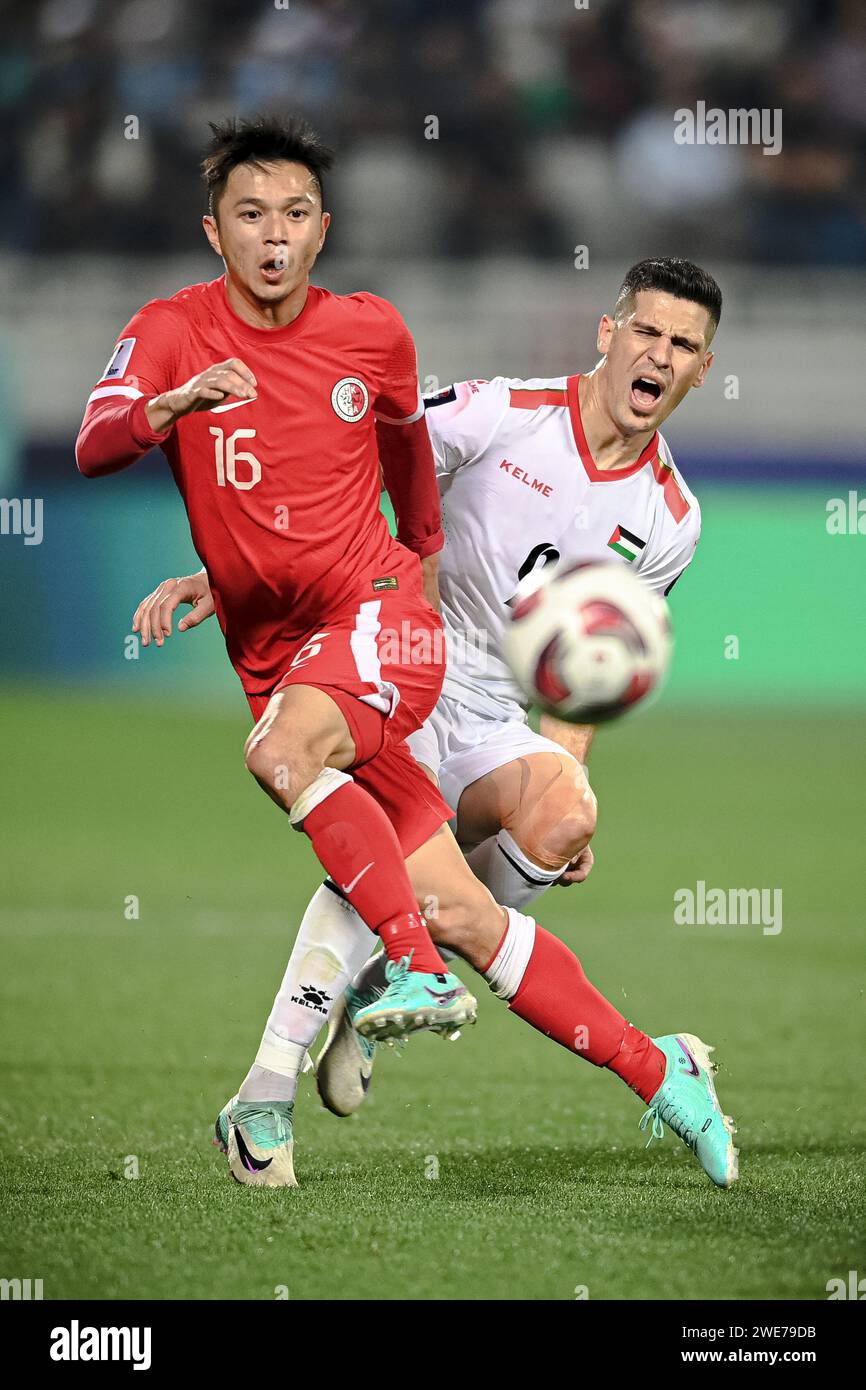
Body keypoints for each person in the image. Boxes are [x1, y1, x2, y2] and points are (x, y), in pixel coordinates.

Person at [132, 258, 739, 1190]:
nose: (660, 355)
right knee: (423, 888)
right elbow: (352, 469)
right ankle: (269, 1089)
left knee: (565, 817)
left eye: (684, 345)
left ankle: (382, 974)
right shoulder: (503, 411)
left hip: (496, 715)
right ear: (607, 334)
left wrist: (567, 769)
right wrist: (235, 573)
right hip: (400, 667)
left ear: (704, 370)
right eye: (647, 332)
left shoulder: (670, 521)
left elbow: (589, 673)